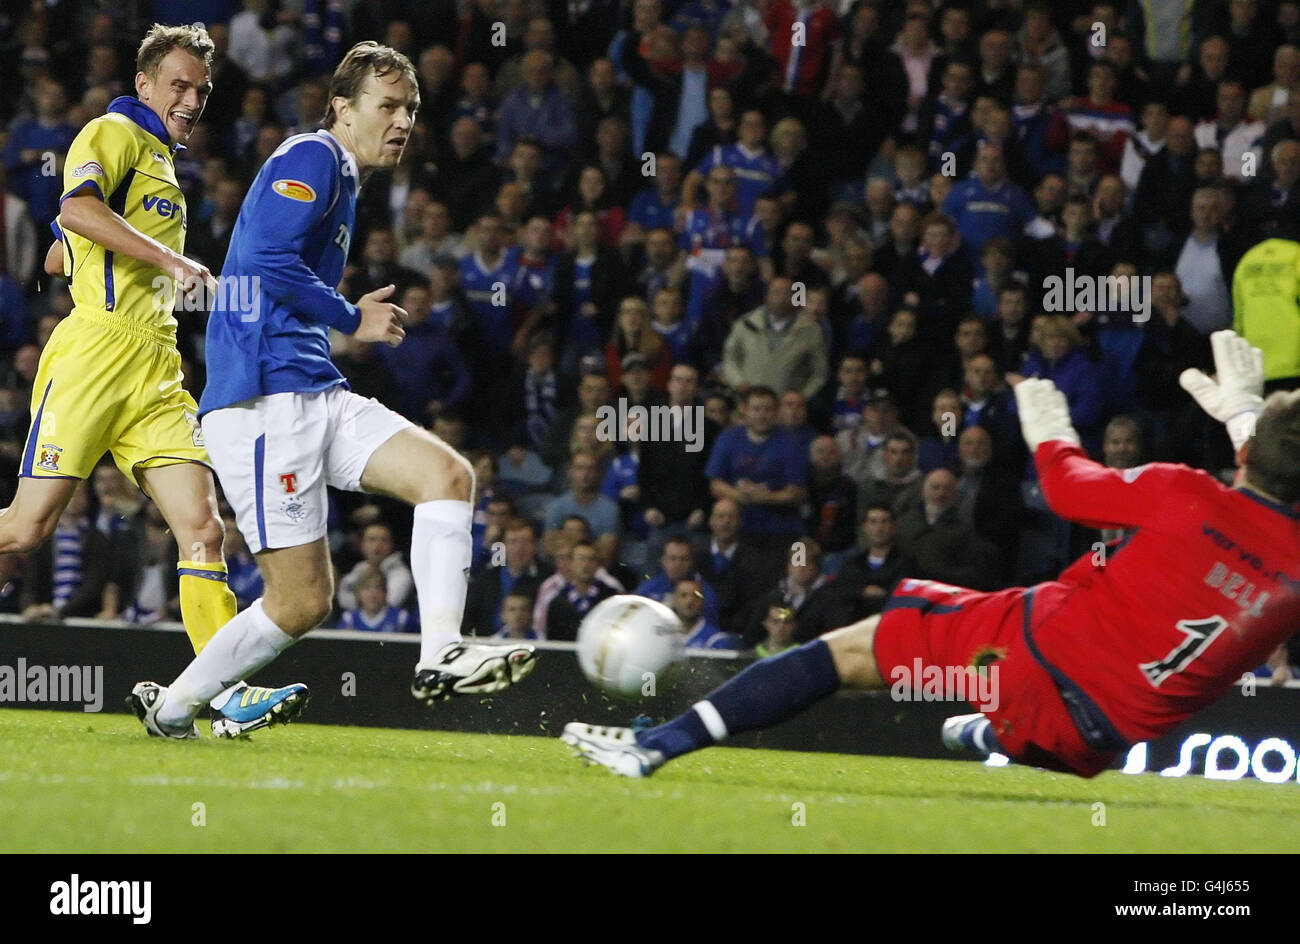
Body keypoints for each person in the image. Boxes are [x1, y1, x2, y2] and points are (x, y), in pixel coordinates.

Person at [563, 330, 1300, 780]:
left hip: (1032, 658)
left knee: (846, 653)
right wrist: (1244, 420)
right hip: (1103, 739)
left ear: (1251, 453)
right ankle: (992, 730)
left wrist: (1051, 431)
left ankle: (656, 745)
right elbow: (1266, 519)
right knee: (1062, 710)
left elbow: (1070, 491)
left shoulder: (1186, 492)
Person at [128, 42, 536, 741]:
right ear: (344, 108)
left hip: (314, 387)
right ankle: (171, 711)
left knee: (446, 476)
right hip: (263, 403)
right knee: (300, 600)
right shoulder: (312, 155)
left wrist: (338, 323)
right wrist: (352, 316)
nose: (403, 119)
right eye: (388, 105)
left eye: (410, 108)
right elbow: (264, 261)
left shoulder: (343, 176)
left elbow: (278, 270)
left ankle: (440, 653)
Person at [28, 24, 302, 736]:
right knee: (27, 530)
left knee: (205, 531)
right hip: (95, 358)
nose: (191, 99)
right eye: (178, 85)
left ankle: (220, 693)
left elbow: (72, 241)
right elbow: (76, 208)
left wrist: (68, 256)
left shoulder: (159, 160)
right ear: (145, 82)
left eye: (201, 90)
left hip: (155, 365)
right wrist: (174, 264)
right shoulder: (112, 130)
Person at [338, 565, 414, 633]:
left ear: (385, 592)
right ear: (358, 594)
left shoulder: (401, 619)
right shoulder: (349, 620)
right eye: (367, 588)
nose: (372, 594)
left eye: (377, 588)